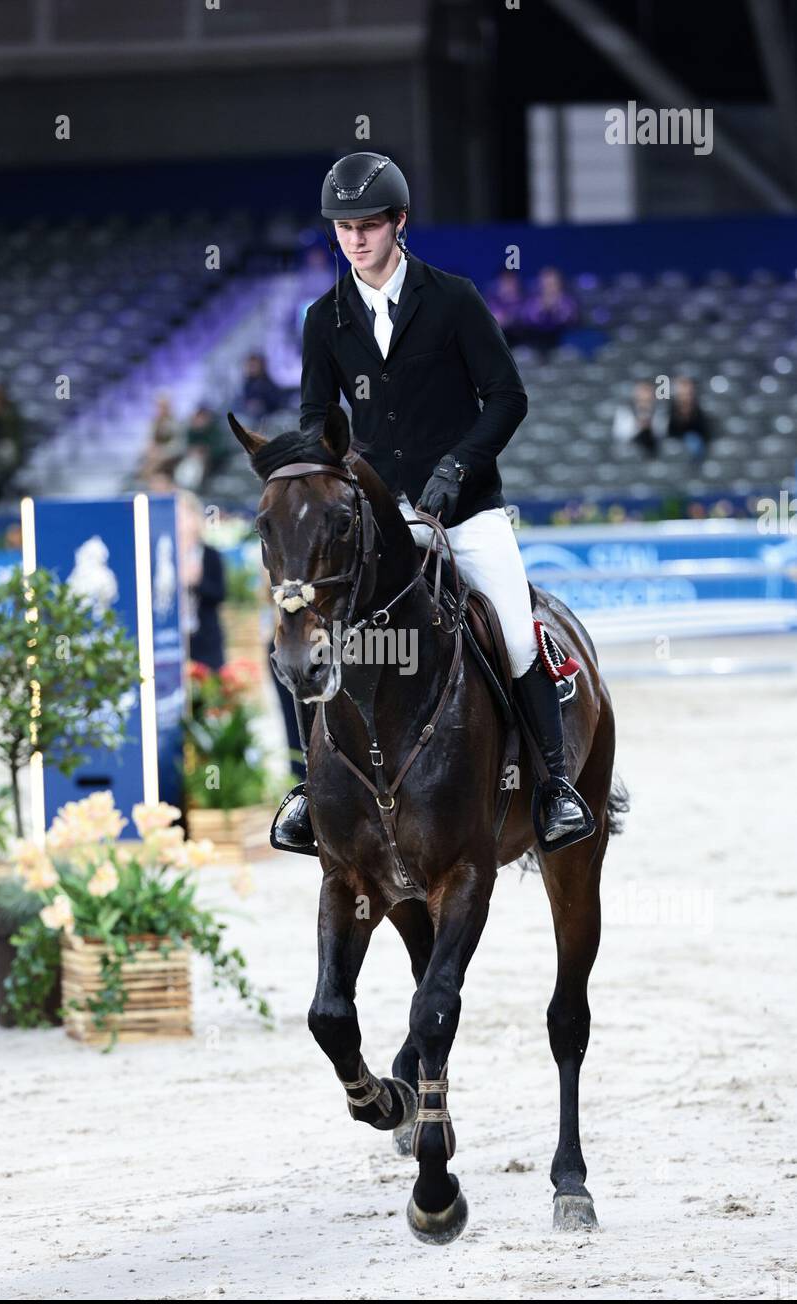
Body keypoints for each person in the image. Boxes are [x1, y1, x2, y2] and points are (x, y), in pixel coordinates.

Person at [272, 150, 595, 856]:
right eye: (343, 227)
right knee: (312, 630)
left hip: (466, 510)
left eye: (368, 225)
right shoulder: (322, 320)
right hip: (377, 521)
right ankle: (307, 789)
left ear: (399, 223)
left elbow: (508, 397)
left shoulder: (451, 299)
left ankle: (557, 788)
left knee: (511, 629)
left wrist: (459, 466)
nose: (355, 239)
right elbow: (313, 419)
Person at [176, 490, 227, 670]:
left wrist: (197, 582)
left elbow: (220, 594)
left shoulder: (209, 554)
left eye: (183, 515)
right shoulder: (164, 555)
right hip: (174, 639)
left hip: (205, 640)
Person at [612, 380, 667, 458]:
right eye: (642, 391)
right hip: (629, 450)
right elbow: (619, 434)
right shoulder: (625, 410)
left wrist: (650, 426)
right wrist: (638, 426)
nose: (644, 395)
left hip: (653, 450)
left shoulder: (659, 410)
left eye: (647, 391)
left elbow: (662, 432)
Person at [667, 376, 711, 460]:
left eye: (687, 393)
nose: (685, 397)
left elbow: (705, 432)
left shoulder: (699, 410)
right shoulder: (671, 410)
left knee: (692, 440)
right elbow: (669, 432)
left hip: (695, 444)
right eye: (682, 393)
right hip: (675, 442)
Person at [232, 353, 284, 422]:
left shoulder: (267, 383)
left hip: (268, 418)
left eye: (253, 366)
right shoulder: (248, 384)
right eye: (249, 366)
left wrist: (261, 404)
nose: (251, 369)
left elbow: (275, 402)